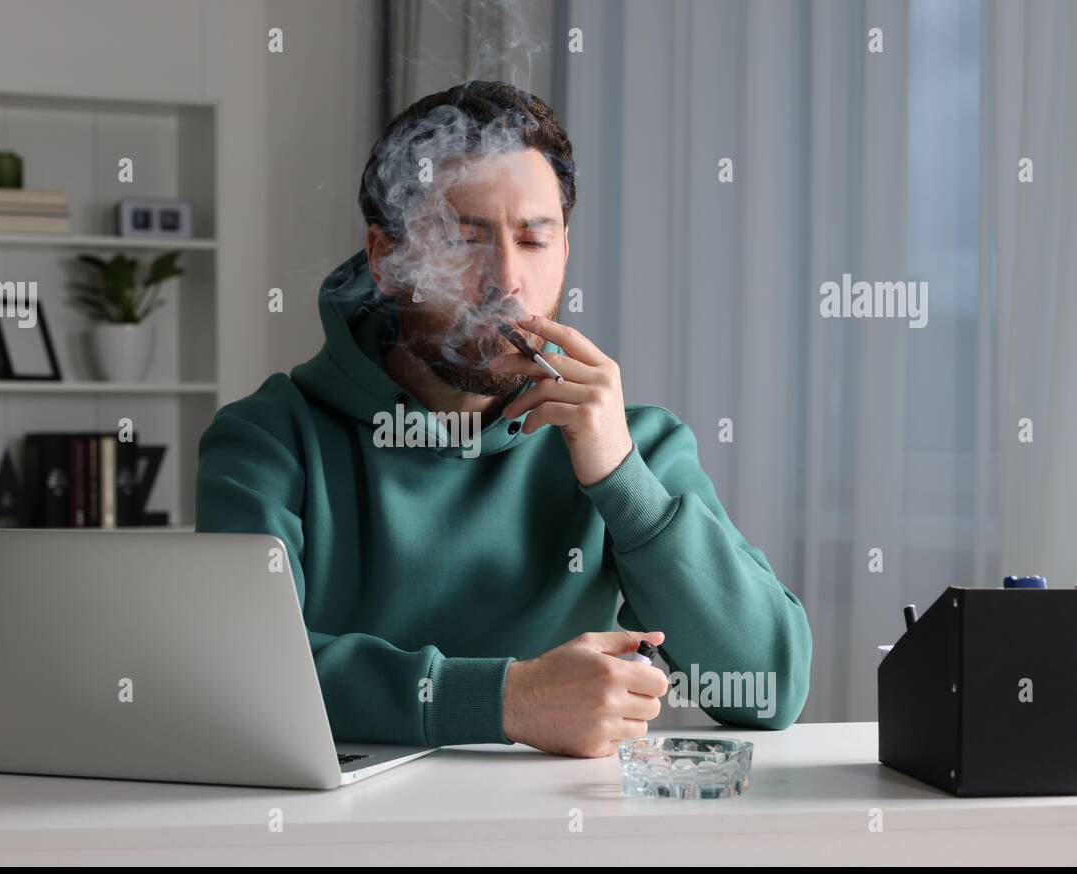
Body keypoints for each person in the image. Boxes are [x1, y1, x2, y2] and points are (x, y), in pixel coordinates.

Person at [195, 80, 811, 757]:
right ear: (385, 261)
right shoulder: (268, 440)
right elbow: (239, 681)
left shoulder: (630, 443)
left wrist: (621, 480)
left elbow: (770, 691)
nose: (505, 281)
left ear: (566, 254)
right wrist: (507, 700)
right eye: (464, 239)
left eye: (533, 240)